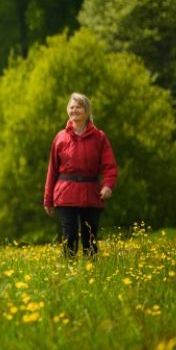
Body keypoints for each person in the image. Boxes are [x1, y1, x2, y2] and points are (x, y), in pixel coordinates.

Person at [43, 92, 118, 258]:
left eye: (78, 107)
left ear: (86, 111)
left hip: (91, 193)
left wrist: (108, 186)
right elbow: (52, 170)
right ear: (67, 110)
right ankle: (68, 273)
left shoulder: (99, 137)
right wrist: (48, 199)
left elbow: (110, 166)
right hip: (65, 193)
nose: (74, 110)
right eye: (71, 107)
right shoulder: (60, 137)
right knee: (68, 236)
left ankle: (91, 273)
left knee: (90, 238)